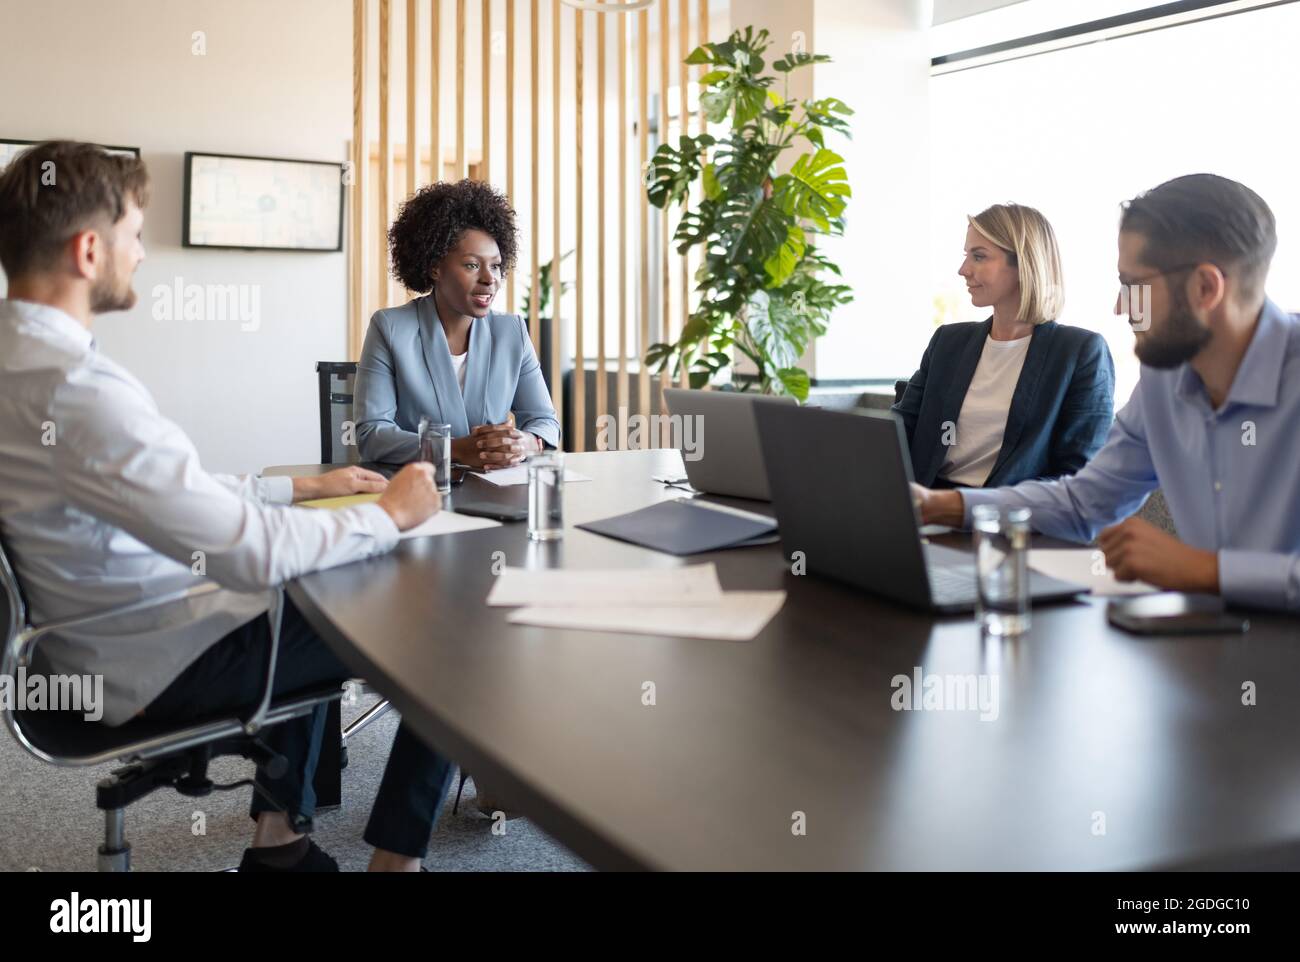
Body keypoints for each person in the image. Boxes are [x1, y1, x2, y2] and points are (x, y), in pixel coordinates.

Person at [0, 141, 452, 870]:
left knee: (325, 572)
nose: (142, 255)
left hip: (84, 644)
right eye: (135, 236)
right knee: (438, 620)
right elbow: (252, 554)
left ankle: (280, 846)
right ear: (89, 251)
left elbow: (157, 492)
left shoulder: (19, 361)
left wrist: (299, 488)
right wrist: (392, 513)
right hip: (156, 661)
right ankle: (395, 860)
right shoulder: (77, 390)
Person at [914, 174, 1299, 611]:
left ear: (1206, 288)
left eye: (1133, 285)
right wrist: (941, 504)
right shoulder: (1163, 381)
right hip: (1210, 647)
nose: (1120, 306)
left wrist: (1205, 570)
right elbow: (1083, 503)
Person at [893, 203, 1114, 488]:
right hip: (924, 507)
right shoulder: (947, 343)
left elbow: (1077, 475)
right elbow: (900, 428)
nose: (963, 270)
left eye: (979, 256)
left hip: (1008, 520)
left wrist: (966, 507)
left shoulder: (1080, 352)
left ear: (1024, 264)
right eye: (966, 256)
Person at [354, 179, 560, 467]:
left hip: (496, 494)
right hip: (420, 492)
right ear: (434, 267)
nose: (490, 279)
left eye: (496, 265)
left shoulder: (511, 332)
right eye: (472, 265)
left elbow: (545, 422)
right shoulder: (390, 328)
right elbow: (371, 435)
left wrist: (526, 442)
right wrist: (456, 450)